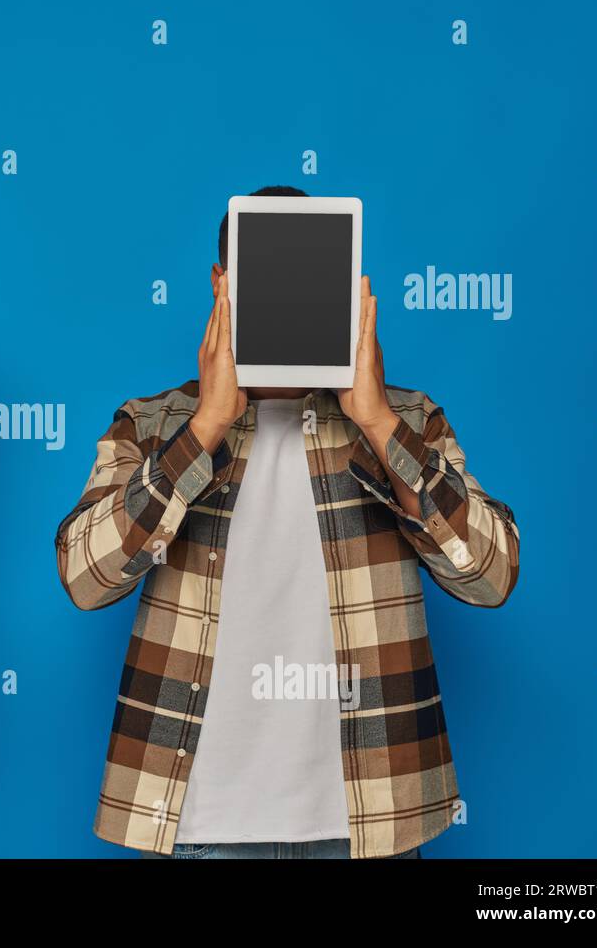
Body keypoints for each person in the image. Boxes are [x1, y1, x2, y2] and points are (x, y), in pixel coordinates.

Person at [54, 186, 520, 860]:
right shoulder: (152, 423)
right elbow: (84, 577)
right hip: (206, 820)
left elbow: (492, 573)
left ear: (348, 288)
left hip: (372, 823)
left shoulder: (408, 419)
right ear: (222, 283)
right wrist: (206, 425)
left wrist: (378, 421)